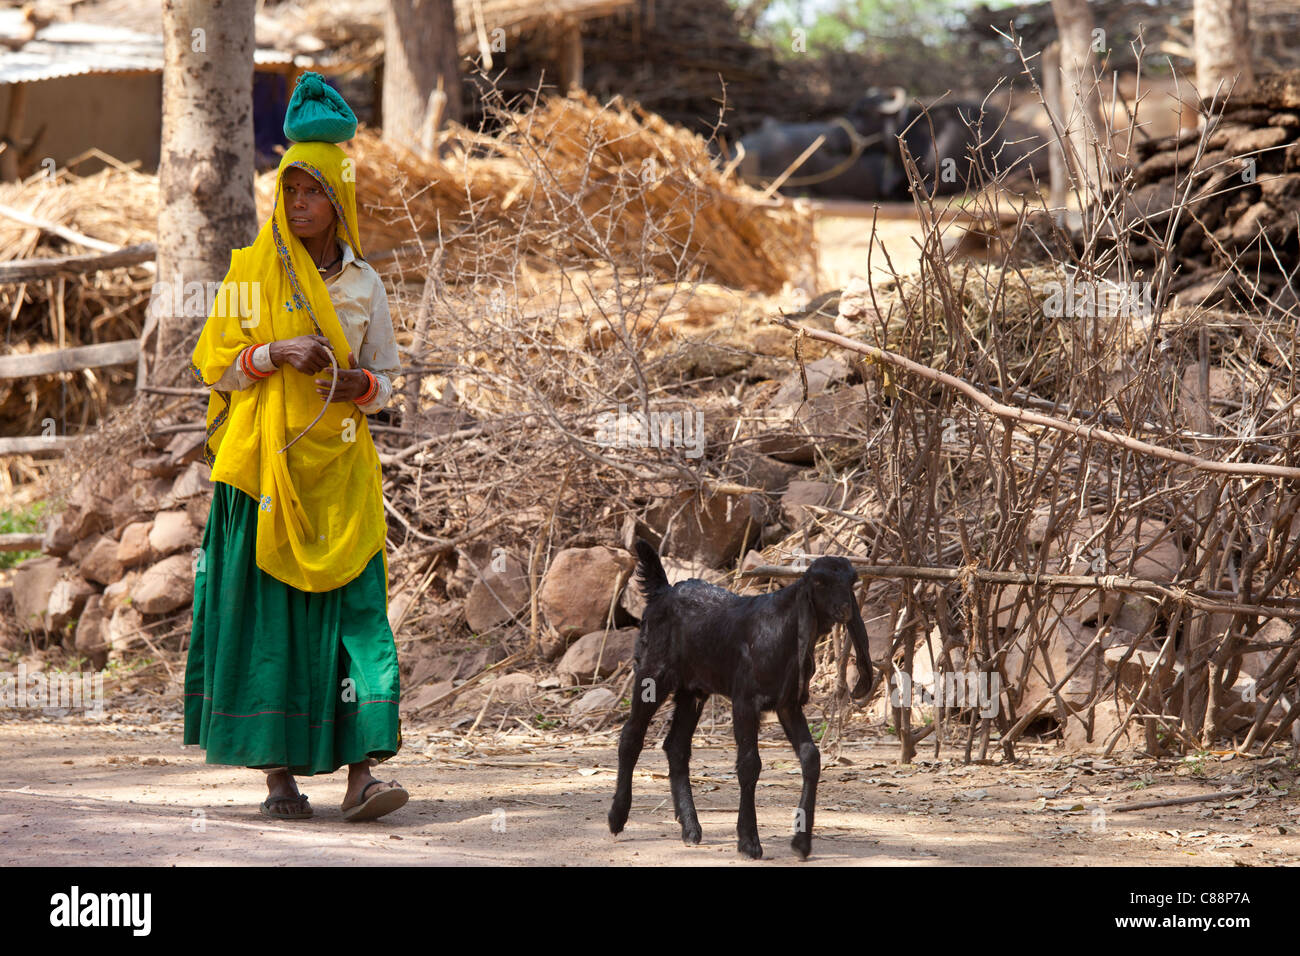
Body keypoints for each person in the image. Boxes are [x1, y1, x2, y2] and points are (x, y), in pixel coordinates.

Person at [183, 119, 407, 821]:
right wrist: (273, 353)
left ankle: (362, 776)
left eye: (316, 192)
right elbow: (215, 364)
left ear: (340, 202)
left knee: (357, 617)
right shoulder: (253, 270)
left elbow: (390, 382)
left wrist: (358, 386)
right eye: (292, 191)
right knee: (268, 625)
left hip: (339, 475)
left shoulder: (366, 285)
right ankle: (278, 779)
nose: (302, 203)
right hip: (262, 477)